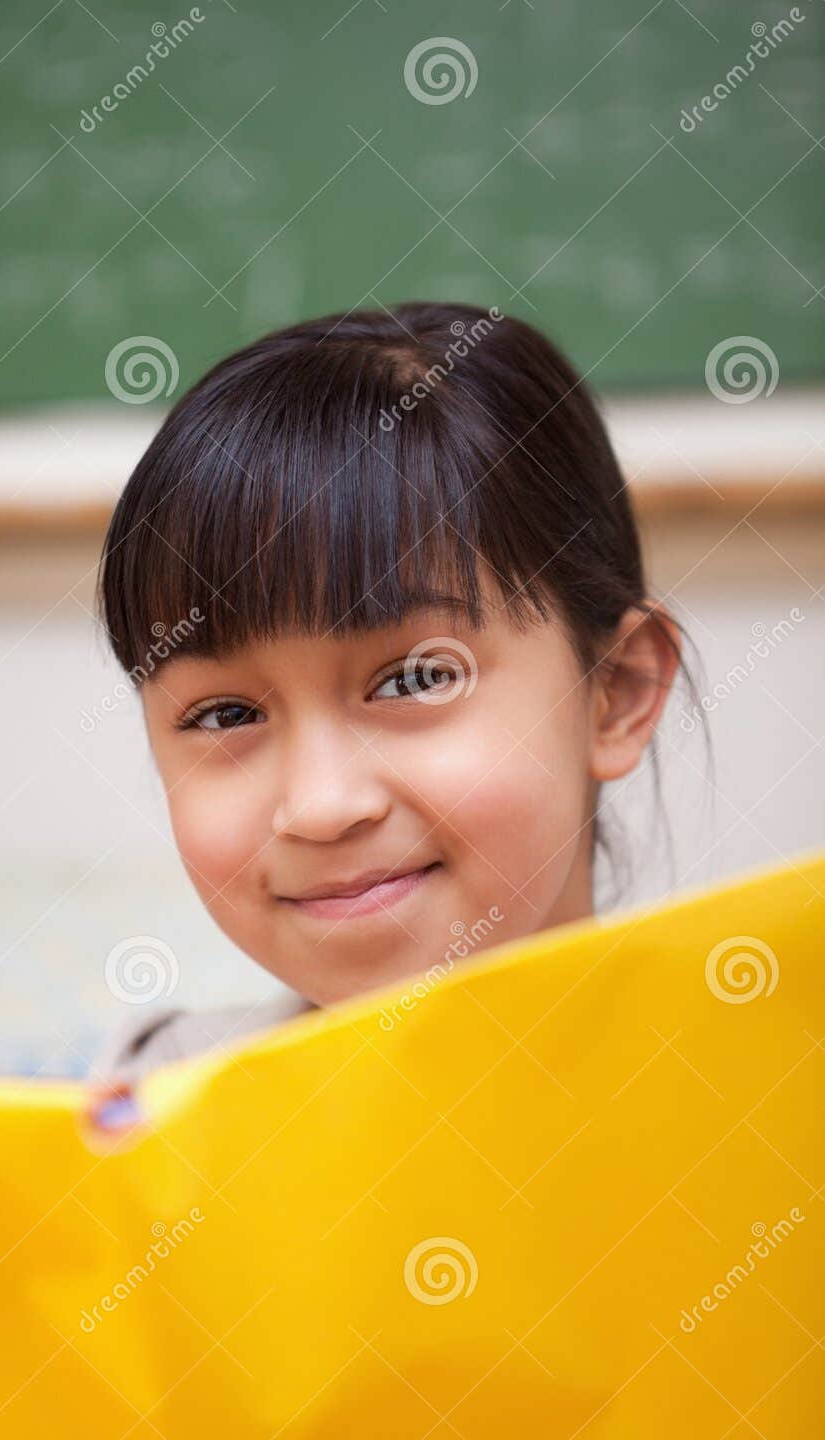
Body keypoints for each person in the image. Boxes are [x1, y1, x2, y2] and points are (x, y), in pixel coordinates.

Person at [86, 301, 684, 1129]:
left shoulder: (771, 1084)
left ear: (614, 691)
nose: (321, 807)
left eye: (410, 682)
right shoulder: (158, 1110)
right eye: (224, 714)